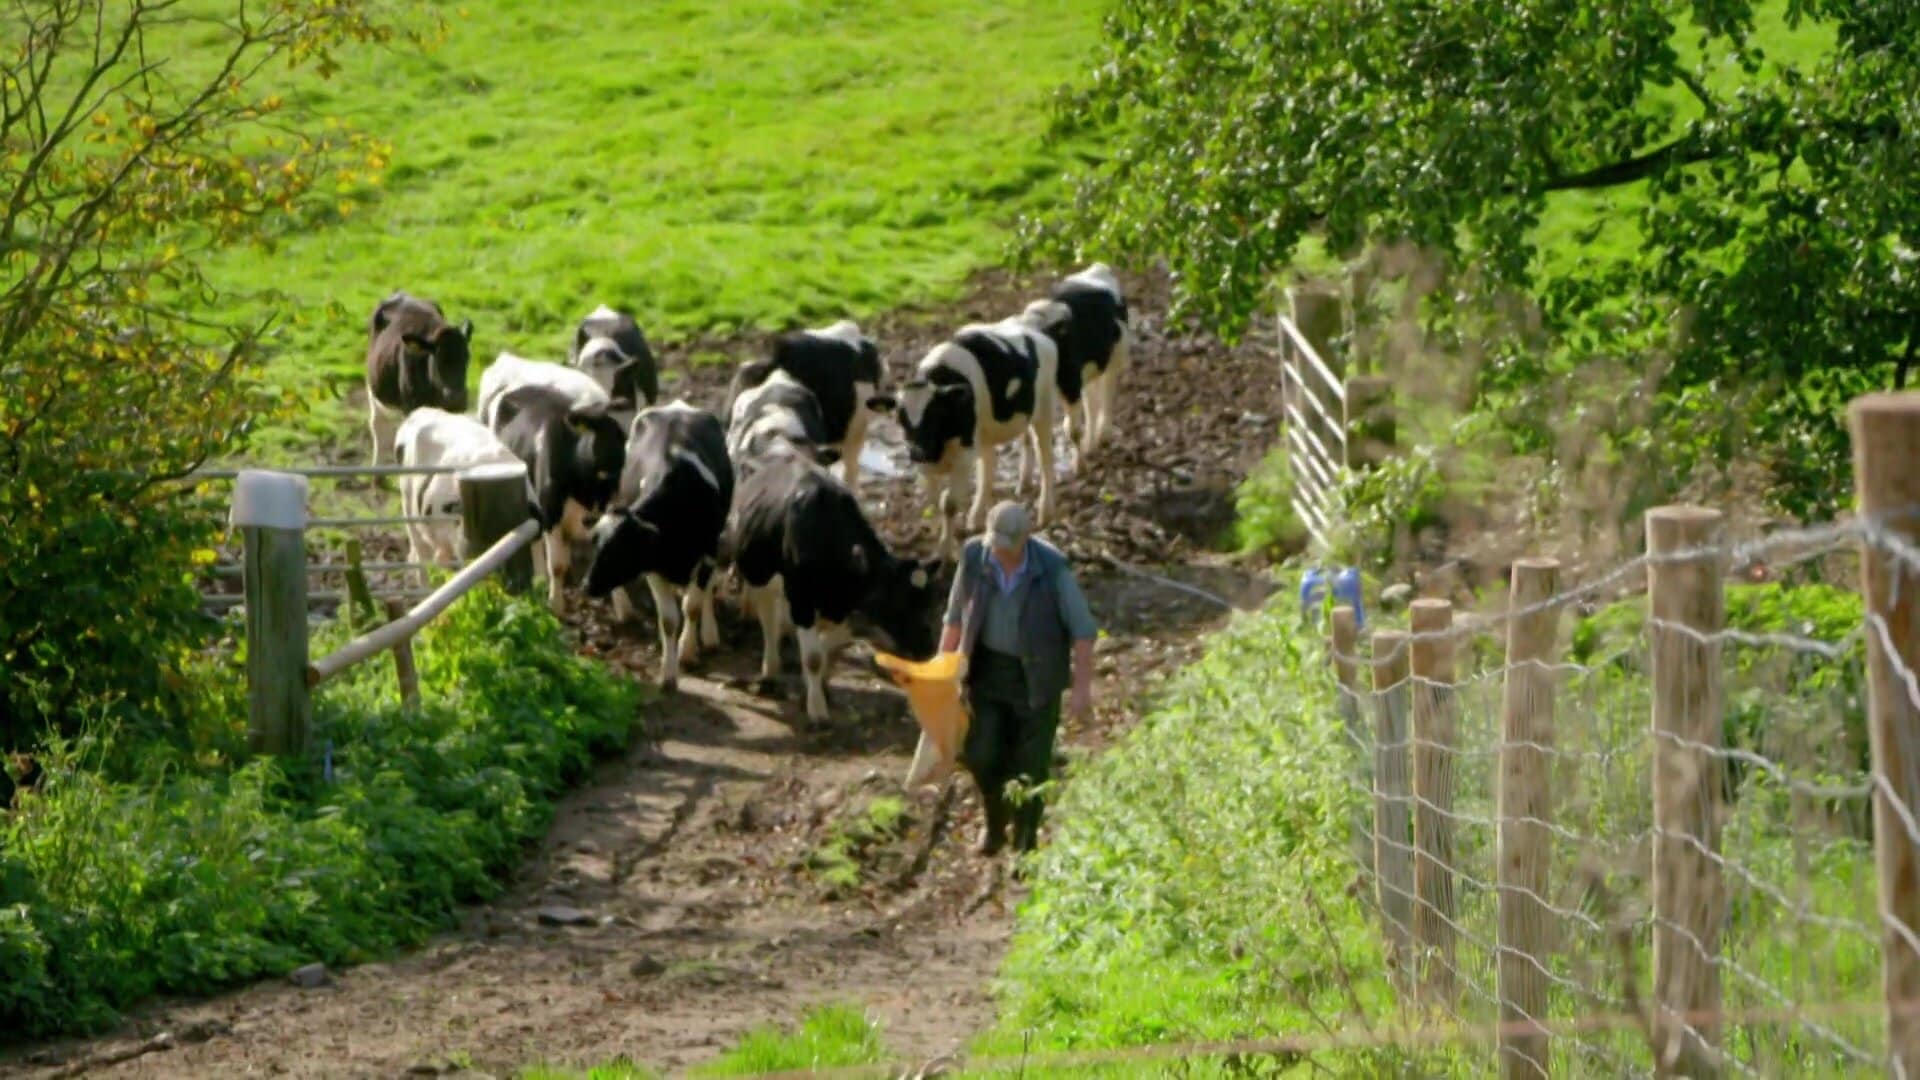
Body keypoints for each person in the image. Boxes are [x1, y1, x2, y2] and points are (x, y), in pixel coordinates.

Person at [939, 500, 1098, 856]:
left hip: (1037, 676)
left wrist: (1082, 691)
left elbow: (1084, 632)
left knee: (1031, 765)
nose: (1001, 553)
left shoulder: (1052, 567)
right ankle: (995, 826)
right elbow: (954, 618)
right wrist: (942, 670)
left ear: (1026, 538)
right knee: (982, 755)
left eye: (1008, 546)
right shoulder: (974, 556)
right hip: (988, 672)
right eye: (996, 544)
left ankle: (1026, 842)